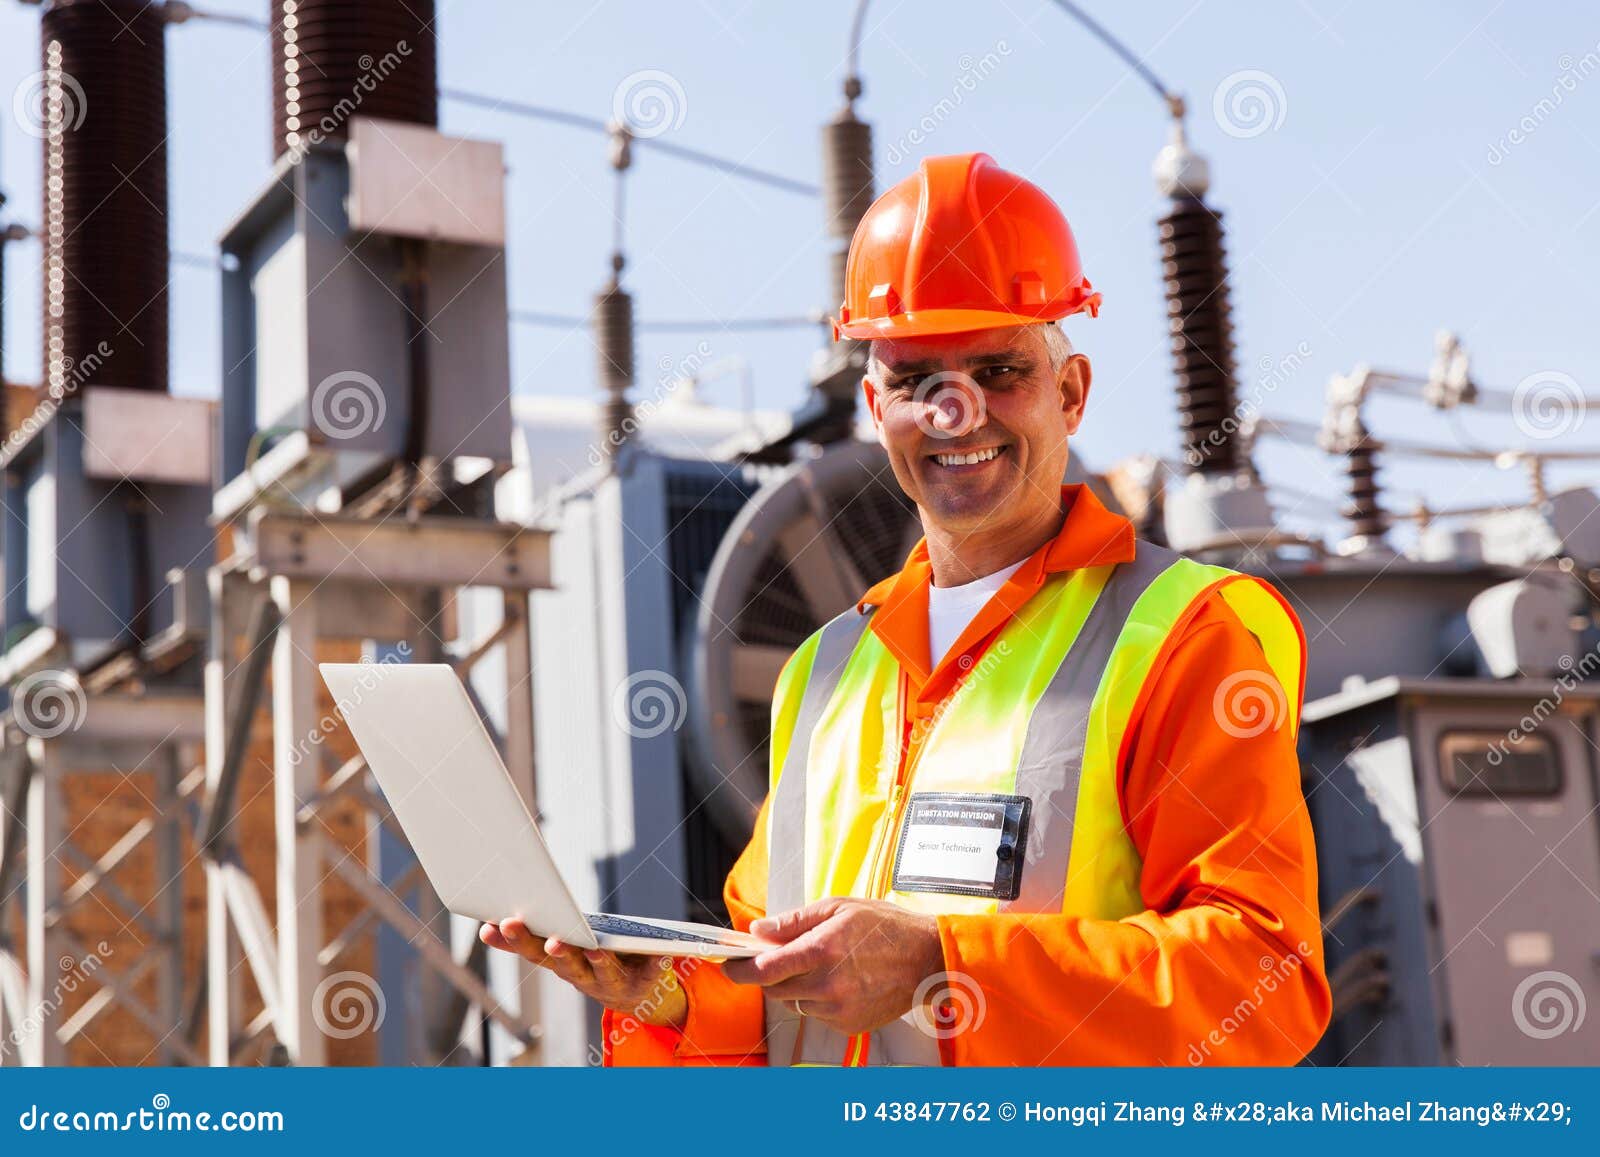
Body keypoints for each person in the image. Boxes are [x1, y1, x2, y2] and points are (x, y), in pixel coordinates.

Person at [483, 152, 1332, 1066]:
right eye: (916, 379)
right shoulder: (823, 673)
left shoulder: (1184, 637)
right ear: (874, 405)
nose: (955, 412)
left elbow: (1264, 981)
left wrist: (943, 965)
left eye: (998, 370)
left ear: (1071, 392)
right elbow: (778, 992)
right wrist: (667, 995)